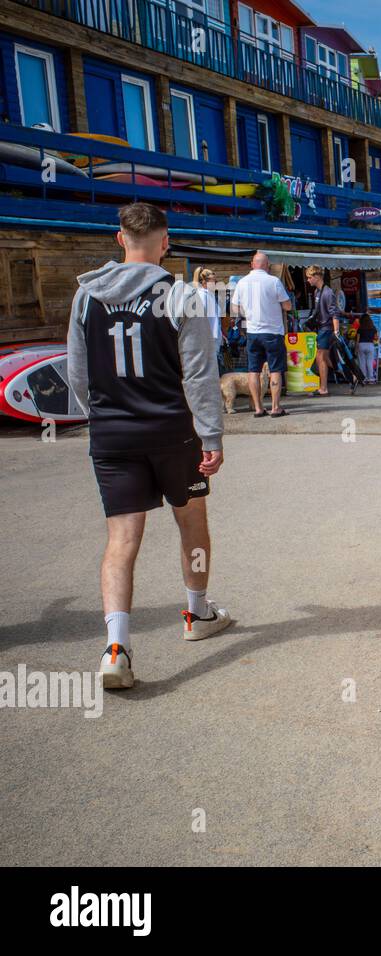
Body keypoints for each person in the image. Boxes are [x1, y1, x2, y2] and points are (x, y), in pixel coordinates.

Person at [65, 203, 232, 690]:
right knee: (192, 523)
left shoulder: (85, 296)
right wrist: (212, 436)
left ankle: (116, 647)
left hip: (113, 434)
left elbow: (77, 371)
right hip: (171, 431)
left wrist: (100, 417)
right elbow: (201, 376)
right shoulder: (183, 296)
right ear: (165, 242)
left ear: (120, 240)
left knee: (121, 542)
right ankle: (196, 614)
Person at [230, 251, 292, 417]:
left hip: (253, 333)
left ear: (252, 264)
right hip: (273, 332)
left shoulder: (242, 283)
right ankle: (275, 408)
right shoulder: (274, 281)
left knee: (253, 370)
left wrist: (248, 312)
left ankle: (258, 408)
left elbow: (235, 308)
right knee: (275, 370)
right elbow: (288, 306)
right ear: (267, 266)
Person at [304, 265, 341, 397]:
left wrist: (336, 332)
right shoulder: (317, 292)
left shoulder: (327, 292)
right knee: (324, 357)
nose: (308, 280)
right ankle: (347, 373)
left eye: (309, 277)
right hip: (321, 328)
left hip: (327, 328)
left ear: (317, 276)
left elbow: (335, 313)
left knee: (320, 357)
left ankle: (323, 388)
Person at [192, 267, 222, 369]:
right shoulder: (202, 296)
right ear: (204, 282)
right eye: (213, 281)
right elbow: (199, 321)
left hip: (211, 343)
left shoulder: (210, 296)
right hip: (205, 344)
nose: (216, 284)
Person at [355, 310, 379, 384]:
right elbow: (376, 338)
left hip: (361, 345)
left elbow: (357, 339)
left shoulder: (360, 328)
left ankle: (363, 379)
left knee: (362, 362)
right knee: (369, 362)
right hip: (370, 345)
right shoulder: (373, 327)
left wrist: (356, 348)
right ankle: (371, 378)